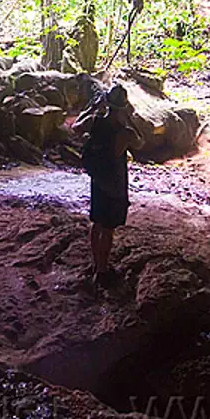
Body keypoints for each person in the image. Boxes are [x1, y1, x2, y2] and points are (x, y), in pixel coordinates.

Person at [74, 84, 142, 287]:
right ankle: (103, 270)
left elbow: (76, 128)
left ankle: (97, 265)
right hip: (115, 184)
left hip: (98, 179)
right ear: (124, 107)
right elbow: (141, 143)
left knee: (97, 224)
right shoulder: (125, 132)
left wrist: (94, 108)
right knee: (109, 229)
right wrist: (129, 119)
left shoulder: (95, 122)